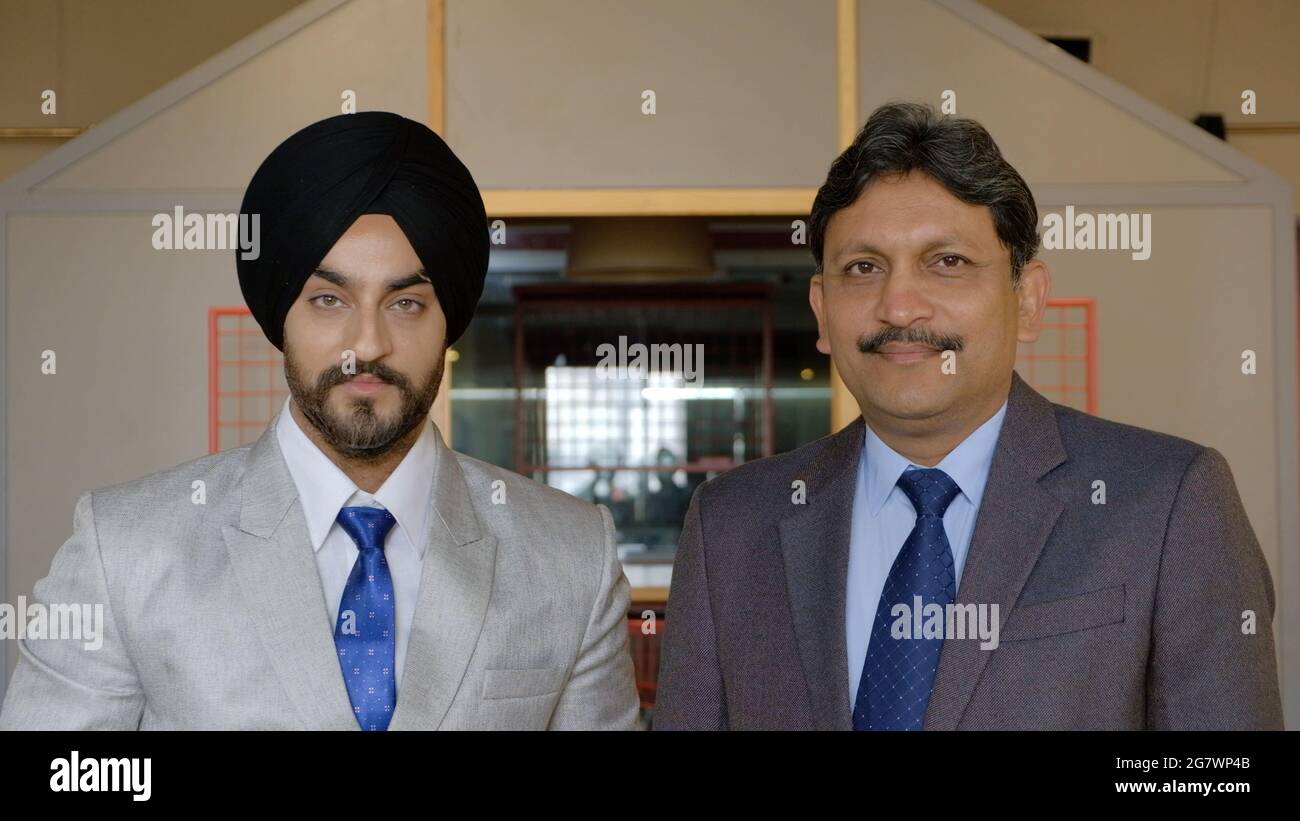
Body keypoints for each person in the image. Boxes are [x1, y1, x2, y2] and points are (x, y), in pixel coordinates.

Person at [653, 101, 1283, 730]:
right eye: (863, 268)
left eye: (947, 262)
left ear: (1029, 300)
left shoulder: (1167, 501)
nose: (899, 307)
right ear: (822, 309)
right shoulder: (732, 525)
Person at [0, 111, 639, 730]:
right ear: (282, 315)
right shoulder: (126, 549)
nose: (367, 343)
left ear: (451, 322)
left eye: (407, 303)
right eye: (329, 300)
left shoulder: (571, 555)